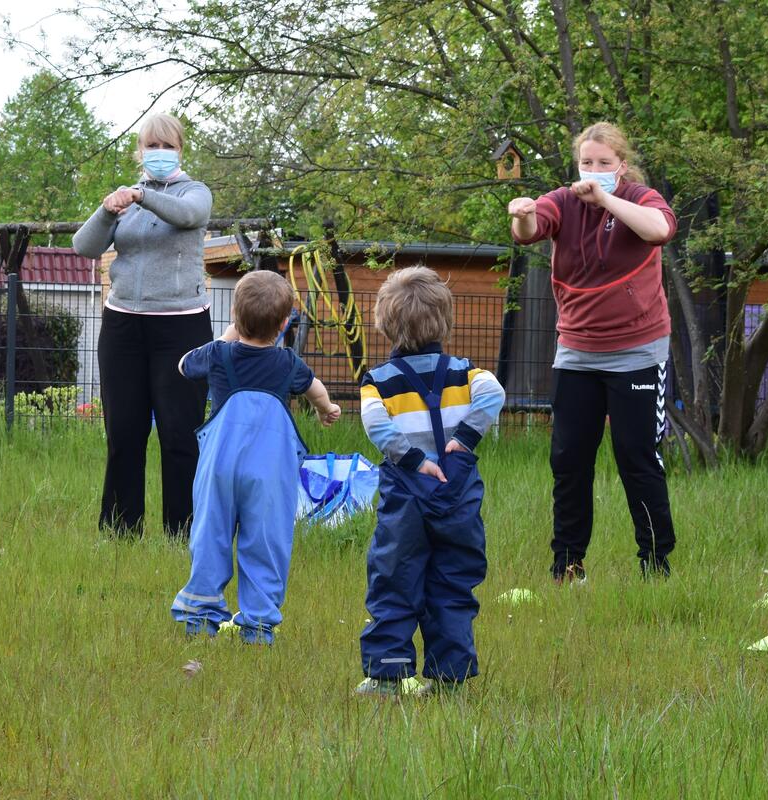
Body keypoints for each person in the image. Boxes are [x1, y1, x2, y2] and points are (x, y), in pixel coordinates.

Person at [507, 121, 677, 583]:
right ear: (576, 164)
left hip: (638, 353)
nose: (594, 170)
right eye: (587, 163)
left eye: (604, 163)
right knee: (569, 460)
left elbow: (660, 229)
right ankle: (567, 565)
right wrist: (521, 212)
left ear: (621, 166)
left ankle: (655, 564)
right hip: (577, 352)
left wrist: (606, 199)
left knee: (637, 459)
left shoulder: (640, 199)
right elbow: (531, 228)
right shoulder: (562, 200)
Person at [354, 267, 505, 698]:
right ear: (446, 319)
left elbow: (375, 424)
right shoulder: (467, 373)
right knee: (453, 581)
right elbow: (495, 395)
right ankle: (450, 678)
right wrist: (463, 440)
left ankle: (386, 676)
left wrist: (415, 460)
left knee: (395, 578)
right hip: (457, 492)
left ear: (385, 323)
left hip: (406, 495)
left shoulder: (379, 382)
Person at [169, 271, 340, 644]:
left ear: (234, 314)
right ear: (283, 324)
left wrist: (229, 334)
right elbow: (315, 389)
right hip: (269, 474)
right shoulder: (288, 364)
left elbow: (183, 365)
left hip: (219, 469)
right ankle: (259, 627)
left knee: (210, 537)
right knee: (266, 543)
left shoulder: (218, 355)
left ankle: (199, 618)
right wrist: (326, 409)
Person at [73, 112, 213, 537]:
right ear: (140, 151)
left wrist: (140, 196)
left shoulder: (195, 192)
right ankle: (120, 531)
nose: (159, 154)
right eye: (152, 146)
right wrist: (106, 209)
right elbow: (84, 246)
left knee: (179, 435)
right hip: (123, 330)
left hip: (182, 328)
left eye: (167, 146)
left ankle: (182, 533)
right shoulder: (124, 201)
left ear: (180, 151)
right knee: (124, 433)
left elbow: (187, 216)